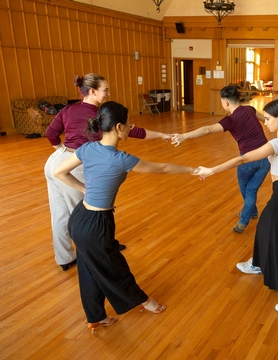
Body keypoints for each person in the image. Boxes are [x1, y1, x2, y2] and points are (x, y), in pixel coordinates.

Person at [53, 101, 198, 333]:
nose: (132, 128)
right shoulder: (120, 159)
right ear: (119, 127)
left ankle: (96, 317)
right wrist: (193, 170)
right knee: (116, 268)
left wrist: (84, 190)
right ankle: (144, 302)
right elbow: (163, 169)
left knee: (90, 269)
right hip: (96, 225)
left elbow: (58, 171)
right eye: (130, 124)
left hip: (80, 218)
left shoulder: (87, 148)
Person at [194, 99, 278, 318]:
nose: (264, 122)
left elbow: (244, 159)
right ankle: (258, 263)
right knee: (265, 228)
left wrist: (212, 170)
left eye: (267, 119)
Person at [45, 73, 171, 271]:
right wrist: (163, 134)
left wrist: (62, 151)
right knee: (87, 214)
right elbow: (132, 131)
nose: (108, 93)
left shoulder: (69, 109)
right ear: (93, 91)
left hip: (56, 163)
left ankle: (65, 258)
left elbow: (50, 134)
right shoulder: (99, 115)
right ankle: (99, 252)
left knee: (60, 214)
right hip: (75, 166)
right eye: (105, 90)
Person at [171, 85, 270, 233]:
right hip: (266, 157)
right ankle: (252, 212)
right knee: (252, 190)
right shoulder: (250, 109)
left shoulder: (230, 120)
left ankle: (244, 220)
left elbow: (208, 129)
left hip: (248, 160)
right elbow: (266, 120)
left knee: (248, 191)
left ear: (226, 103)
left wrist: (184, 136)